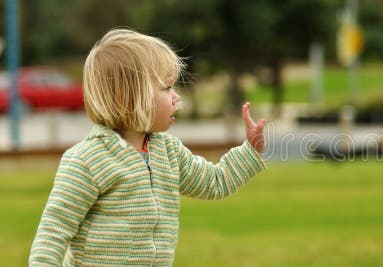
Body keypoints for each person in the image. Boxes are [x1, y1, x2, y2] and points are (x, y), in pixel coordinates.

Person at [29, 29, 268, 266]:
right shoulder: (87, 160)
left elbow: (214, 182)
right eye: (166, 88)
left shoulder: (168, 152)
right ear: (127, 96)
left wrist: (250, 149)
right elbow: (54, 232)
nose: (176, 97)